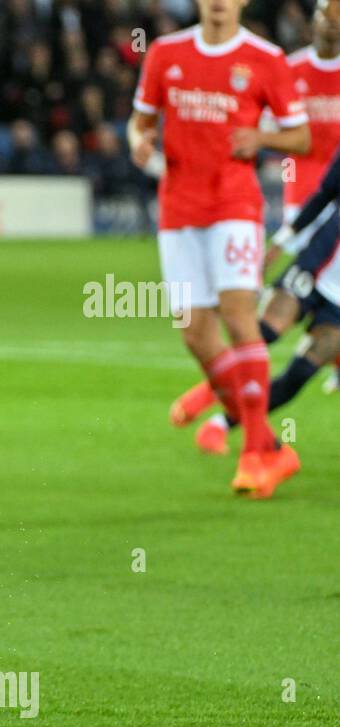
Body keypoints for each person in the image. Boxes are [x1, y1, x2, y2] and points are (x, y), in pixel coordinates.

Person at [130, 0, 310, 498]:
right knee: (195, 333)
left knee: (236, 313)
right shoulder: (165, 53)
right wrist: (138, 144)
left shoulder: (265, 57)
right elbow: (139, 122)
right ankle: (272, 447)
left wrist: (263, 137)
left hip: (234, 207)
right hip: (178, 210)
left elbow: (301, 135)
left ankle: (255, 453)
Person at [171, 0, 340, 452]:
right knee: (266, 325)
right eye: (324, 16)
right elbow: (316, 174)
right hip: (310, 219)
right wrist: (284, 237)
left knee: (304, 363)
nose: (328, 26)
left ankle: (230, 424)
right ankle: (222, 411)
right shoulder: (291, 68)